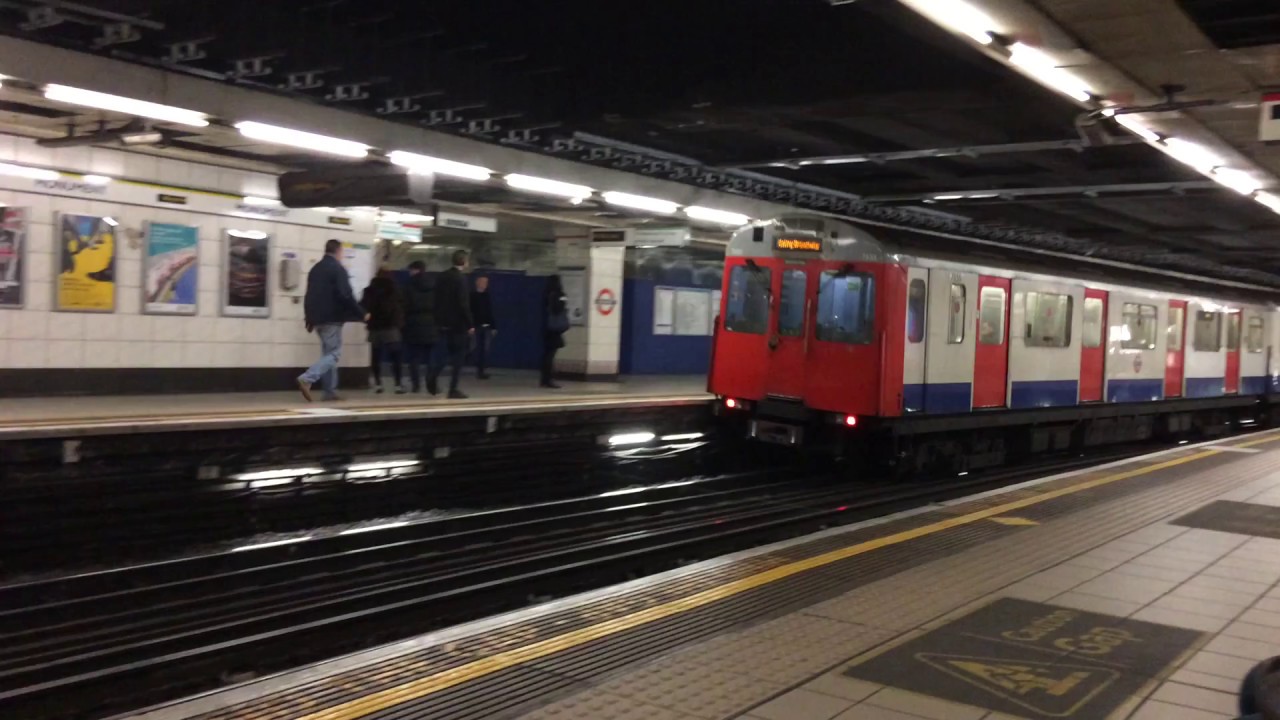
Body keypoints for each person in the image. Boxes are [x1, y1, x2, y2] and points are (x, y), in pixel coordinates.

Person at [297, 239, 369, 402]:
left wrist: (309, 317)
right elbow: (346, 295)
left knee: (328, 355)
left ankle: (329, 392)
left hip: (318, 319)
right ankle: (307, 378)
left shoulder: (315, 269)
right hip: (332, 318)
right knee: (334, 354)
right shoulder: (337, 269)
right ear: (338, 251)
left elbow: (309, 295)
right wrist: (361, 313)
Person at [428, 249, 474, 399]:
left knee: (446, 352)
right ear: (464, 261)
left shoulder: (442, 276)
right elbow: (463, 303)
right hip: (458, 324)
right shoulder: (461, 279)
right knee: (458, 356)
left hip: (442, 322)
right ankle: (453, 389)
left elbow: (436, 299)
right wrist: (470, 324)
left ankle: (433, 374)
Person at [360, 267, 406, 394]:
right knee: (395, 357)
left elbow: (363, 306)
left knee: (376, 356)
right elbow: (401, 307)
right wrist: (400, 322)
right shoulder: (395, 289)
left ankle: (378, 384)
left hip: (375, 327)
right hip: (391, 327)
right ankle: (398, 384)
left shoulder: (369, 290)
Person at [402, 260, 437, 393]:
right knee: (430, 357)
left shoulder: (408, 285)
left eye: (410, 270)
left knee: (414, 357)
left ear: (415, 270)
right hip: (431, 324)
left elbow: (404, 305)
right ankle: (430, 383)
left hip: (413, 325)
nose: (409, 273)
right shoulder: (433, 284)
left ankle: (416, 385)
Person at [541, 274, 569, 389]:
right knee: (550, 355)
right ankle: (548, 379)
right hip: (554, 328)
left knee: (546, 354)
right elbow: (558, 309)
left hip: (546, 327)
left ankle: (544, 379)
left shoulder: (545, 294)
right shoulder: (558, 294)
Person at [470, 275, 497, 380]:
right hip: (476, 326)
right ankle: (476, 367)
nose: (485, 285)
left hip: (486, 326)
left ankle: (480, 371)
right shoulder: (472, 296)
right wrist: (470, 326)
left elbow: (489, 311)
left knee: (484, 349)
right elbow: (470, 311)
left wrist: (493, 326)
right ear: (477, 283)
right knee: (474, 347)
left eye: (486, 283)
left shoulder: (486, 296)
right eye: (483, 282)